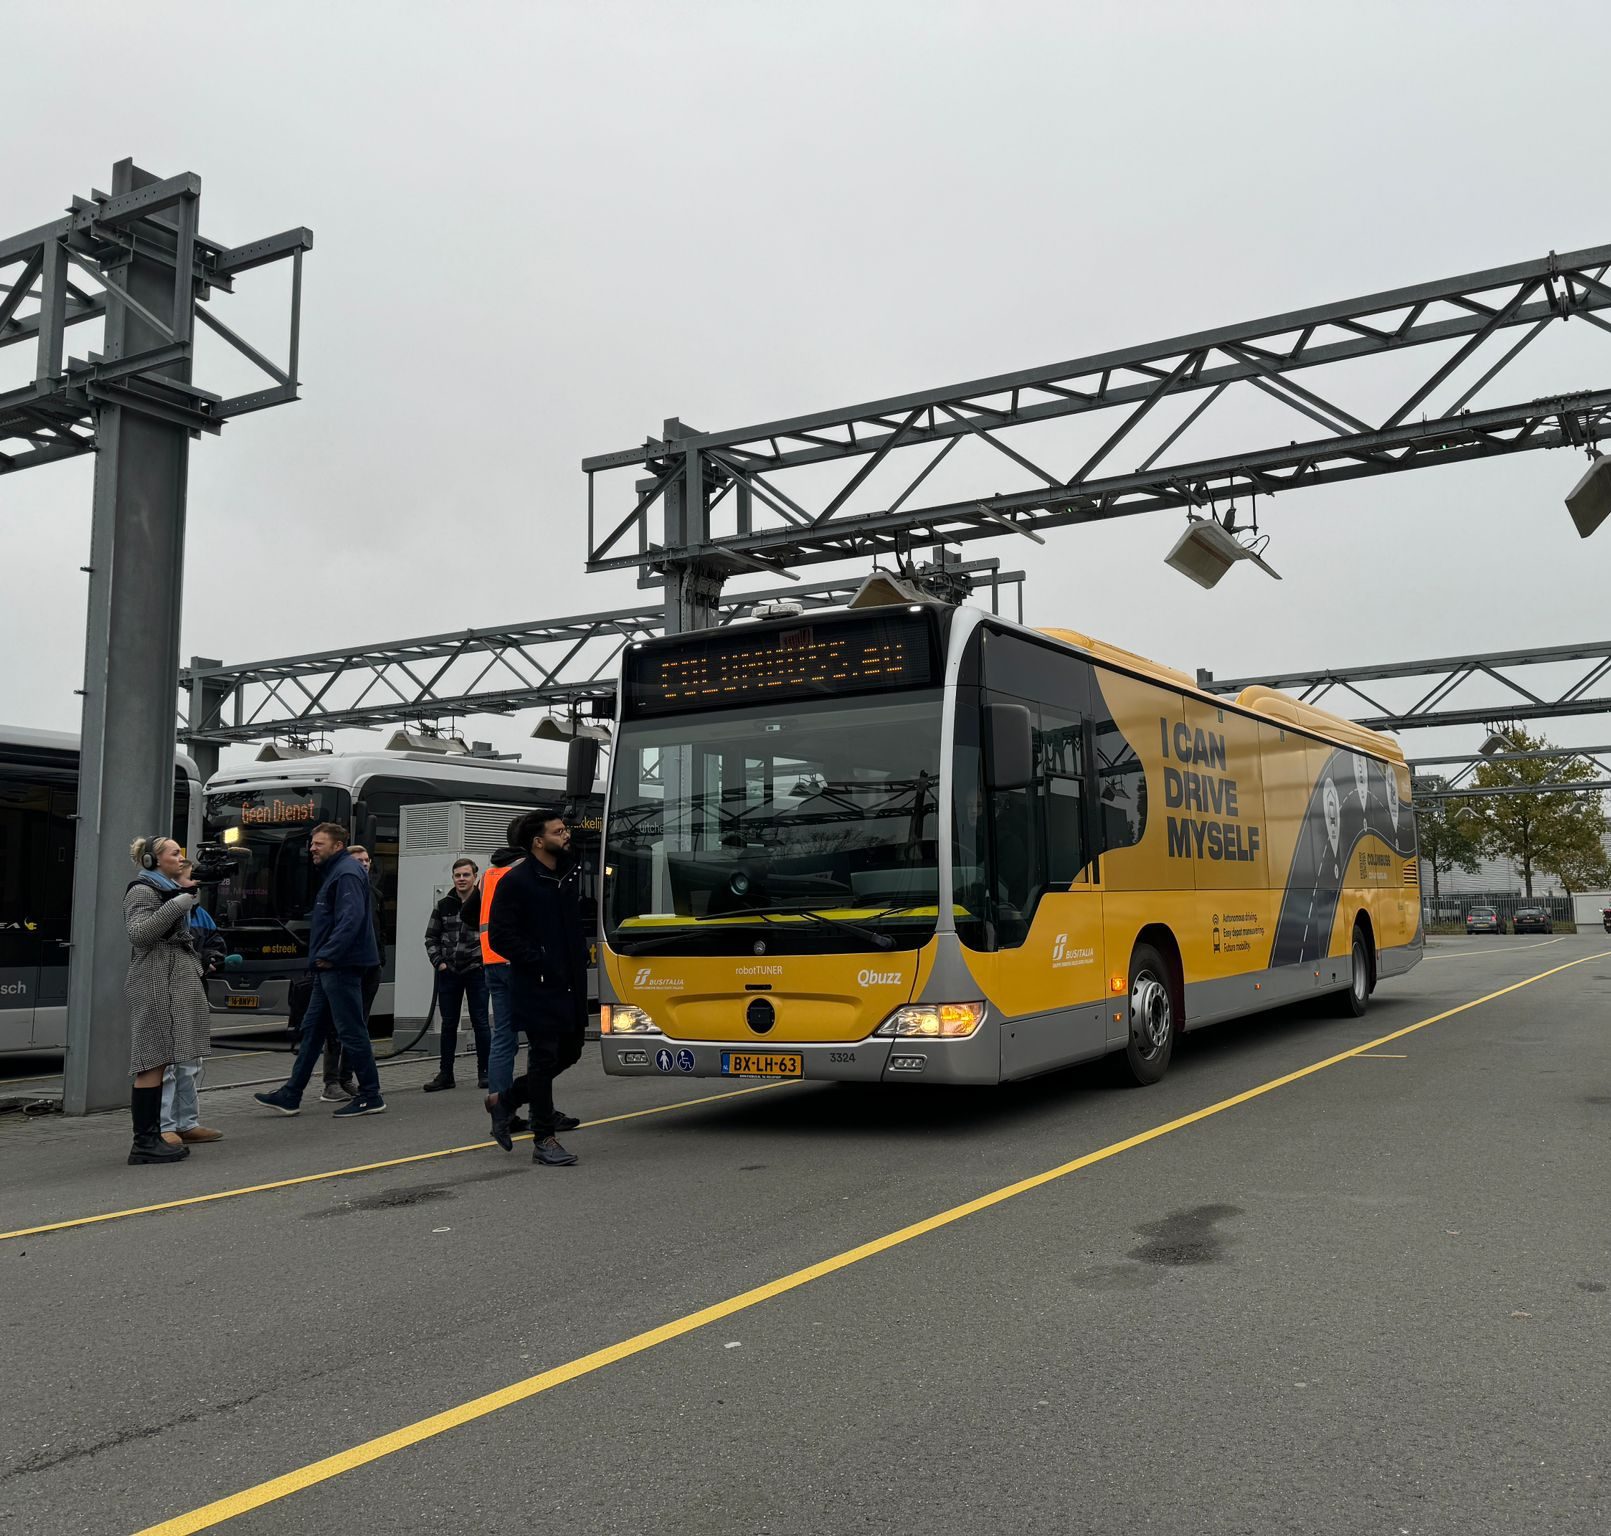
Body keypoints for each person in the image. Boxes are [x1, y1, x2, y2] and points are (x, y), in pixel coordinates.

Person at [253, 821, 386, 1118]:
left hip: (340, 966)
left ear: (337, 846)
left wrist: (328, 954)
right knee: (312, 1030)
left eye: (318, 843)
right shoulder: (338, 872)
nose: (311, 848)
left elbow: (351, 920)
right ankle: (291, 1094)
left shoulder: (347, 873)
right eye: (312, 843)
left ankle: (370, 1095)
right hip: (330, 967)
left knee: (351, 1030)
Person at [486, 809, 587, 1166]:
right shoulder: (517, 882)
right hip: (537, 984)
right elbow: (499, 936)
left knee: (571, 1051)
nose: (566, 835)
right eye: (559, 831)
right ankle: (543, 1138)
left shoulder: (570, 871)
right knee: (543, 1059)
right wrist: (538, 960)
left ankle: (507, 1100)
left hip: (571, 982)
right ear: (538, 842)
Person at [124, 836, 214, 1164]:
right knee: (152, 1060)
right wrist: (179, 903)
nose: (181, 857)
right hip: (154, 981)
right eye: (174, 853)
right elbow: (138, 934)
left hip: (167, 980)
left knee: (162, 1060)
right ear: (152, 860)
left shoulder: (164, 889)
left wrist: (183, 896)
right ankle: (146, 1141)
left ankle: (155, 1137)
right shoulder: (143, 890)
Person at [157, 859, 226, 1148]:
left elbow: (217, 942)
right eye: (189, 880)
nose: (195, 885)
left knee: (190, 1061)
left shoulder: (200, 914)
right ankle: (165, 1125)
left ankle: (187, 1123)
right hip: (171, 989)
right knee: (170, 1062)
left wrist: (213, 958)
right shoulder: (170, 911)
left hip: (195, 988)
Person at [477, 818, 532, 1133]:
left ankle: (501, 1109)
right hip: (517, 961)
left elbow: (474, 913)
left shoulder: (489, 873)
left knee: (503, 1036)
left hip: (491, 960)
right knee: (540, 1036)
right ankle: (540, 1110)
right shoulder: (524, 869)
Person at [422, 857, 489, 1091]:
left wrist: (484, 962)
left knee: (480, 1022)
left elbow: (493, 935)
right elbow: (430, 937)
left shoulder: (484, 904)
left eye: (466, 875)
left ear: (475, 877)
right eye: (457, 875)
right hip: (449, 972)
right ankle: (446, 1074)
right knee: (448, 1024)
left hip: (476, 971)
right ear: (453, 878)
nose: (461, 879)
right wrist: (439, 962)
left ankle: (485, 1072)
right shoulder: (443, 905)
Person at [349, 844, 385, 1026]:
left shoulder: (375, 894)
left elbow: (380, 928)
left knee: (362, 1017)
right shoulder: (344, 890)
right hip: (353, 964)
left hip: (373, 964)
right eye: (359, 861)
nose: (364, 864)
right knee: (347, 1019)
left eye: (366, 860)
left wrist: (380, 959)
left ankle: (354, 1055)